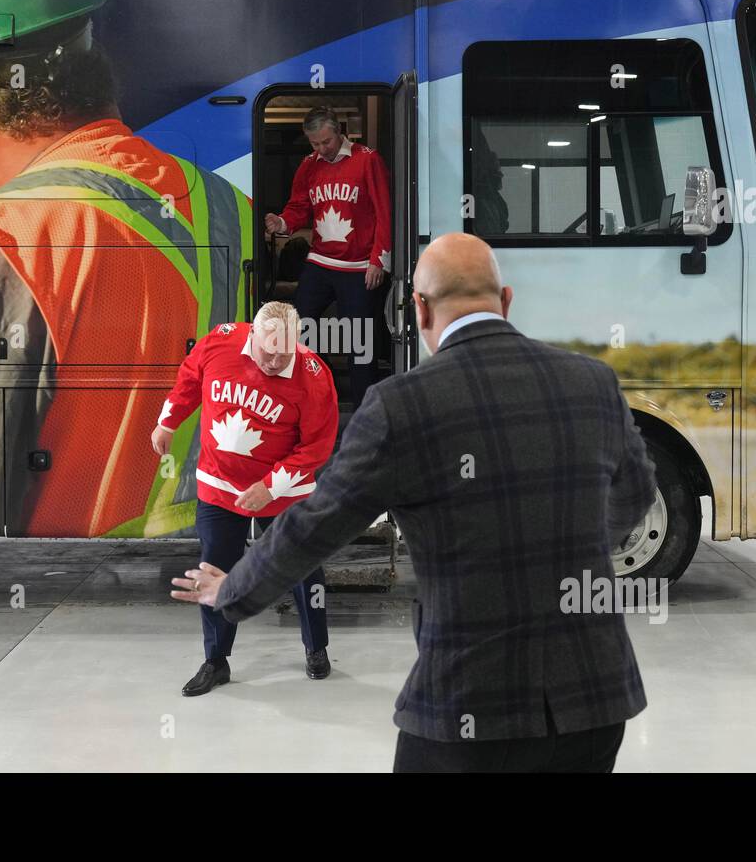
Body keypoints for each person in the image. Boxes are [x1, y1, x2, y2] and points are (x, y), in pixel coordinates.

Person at [172, 232, 657, 772]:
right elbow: (635, 494)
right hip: (593, 696)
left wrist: (231, 588)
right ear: (507, 300)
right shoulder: (592, 381)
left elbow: (314, 525)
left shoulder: (400, 405)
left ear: (420, 310)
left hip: (466, 700)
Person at [0, 0, 253, 537]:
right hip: (227, 595)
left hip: (69, 615)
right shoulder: (230, 208)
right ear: (95, 75)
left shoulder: (3, 247)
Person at [153, 302, 338, 696]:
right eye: (268, 350)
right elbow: (189, 378)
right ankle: (216, 660)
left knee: (303, 567)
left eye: (284, 353)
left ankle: (316, 648)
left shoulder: (313, 376)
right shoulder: (219, 343)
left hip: (284, 492)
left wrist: (270, 486)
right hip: (219, 485)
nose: (274, 361)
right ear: (251, 335)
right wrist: (168, 420)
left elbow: (317, 448)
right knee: (214, 569)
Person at [263, 106, 391, 409]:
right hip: (319, 262)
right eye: (315, 144)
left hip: (359, 266)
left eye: (326, 142)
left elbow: (384, 211)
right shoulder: (309, 165)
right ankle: (308, 398)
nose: (322, 149)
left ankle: (366, 414)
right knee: (298, 329)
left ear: (339, 131)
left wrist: (379, 259)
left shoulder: (367, 159)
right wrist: (281, 223)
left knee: (360, 345)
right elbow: (299, 207)